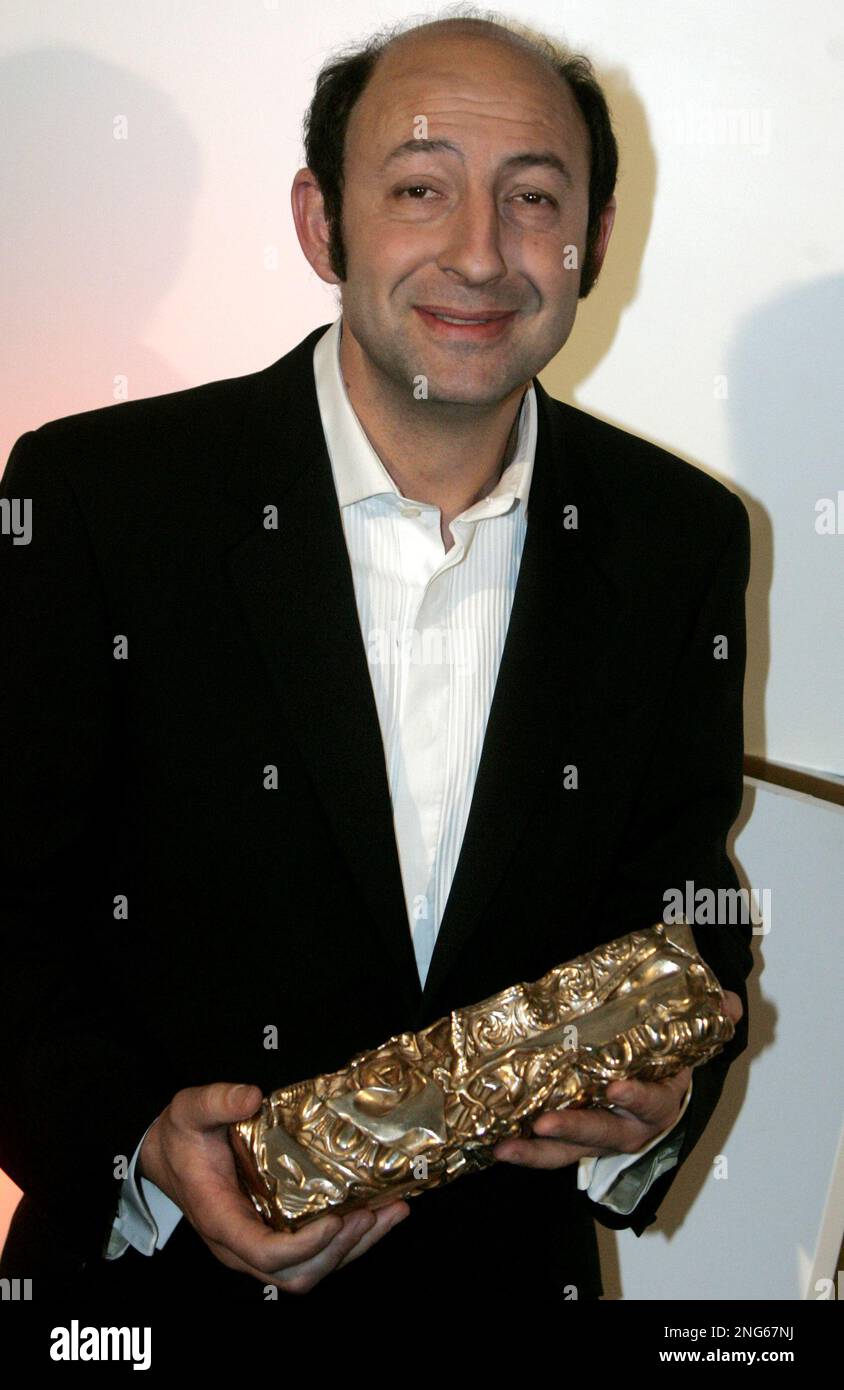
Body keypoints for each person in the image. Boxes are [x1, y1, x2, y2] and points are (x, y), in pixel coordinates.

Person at [0, 11, 750, 1308]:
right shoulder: (99, 500)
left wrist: (669, 1086)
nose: (480, 254)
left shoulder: (674, 540)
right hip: (146, 1297)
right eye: (419, 189)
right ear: (320, 222)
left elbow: (690, 892)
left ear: (596, 241)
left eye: (533, 199)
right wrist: (137, 1143)